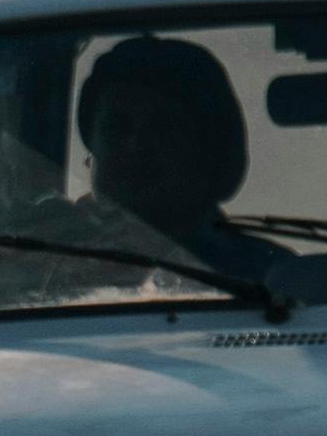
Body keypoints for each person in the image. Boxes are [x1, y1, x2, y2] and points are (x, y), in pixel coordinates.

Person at [61, 32, 261, 280]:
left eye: (162, 128)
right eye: (115, 128)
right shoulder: (46, 259)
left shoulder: (267, 279)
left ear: (209, 149)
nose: (134, 146)